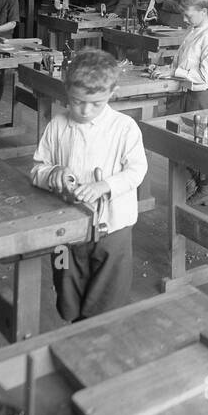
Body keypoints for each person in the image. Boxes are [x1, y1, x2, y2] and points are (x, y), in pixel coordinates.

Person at [31, 49, 148, 322]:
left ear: (113, 92)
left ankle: (97, 335)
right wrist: (52, 173)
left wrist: (105, 185)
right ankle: (73, 327)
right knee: (65, 282)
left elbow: (136, 171)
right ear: (66, 90)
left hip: (113, 230)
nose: (84, 111)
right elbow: (37, 169)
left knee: (107, 295)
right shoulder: (57, 125)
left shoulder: (124, 128)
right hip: (65, 232)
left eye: (95, 103)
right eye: (76, 101)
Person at [165, 0, 208, 207]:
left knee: (203, 145)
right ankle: (194, 181)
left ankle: (205, 190)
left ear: (203, 10)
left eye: (187, 13)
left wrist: (175, 72)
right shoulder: (193, 32)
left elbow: (203, 76)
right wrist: (168, 69)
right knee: (185, 141)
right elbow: (181, 60)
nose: (184, 17)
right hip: (189, 93)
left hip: (206, 97)